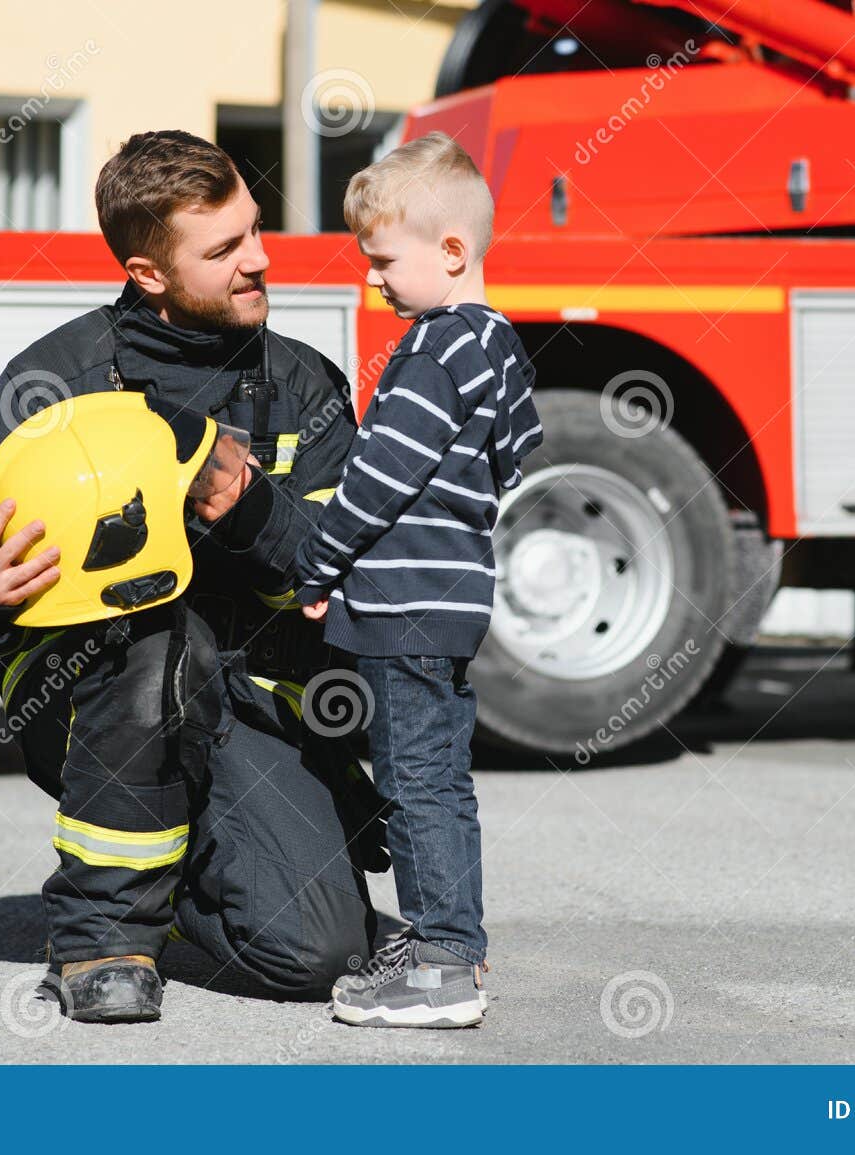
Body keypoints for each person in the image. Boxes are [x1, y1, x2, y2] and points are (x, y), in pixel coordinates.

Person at [0, 129, 385, 1023]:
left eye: (254, 230)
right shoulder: (53, 383)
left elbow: (347, 583)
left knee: (320, 950)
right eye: (224, 249)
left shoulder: (304, 385)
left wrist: (246, 509)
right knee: (152, 626)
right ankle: (101, 940)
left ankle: (171, 880)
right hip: (87, 692)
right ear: (149, 273)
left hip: (248, 700)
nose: (259, 260)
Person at [292, 132, 543, 1028]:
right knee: (445, 779)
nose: (373, 279)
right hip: (453, 602)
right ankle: (457, 950)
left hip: (402, 606)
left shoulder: (433, 351)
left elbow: (377, 479)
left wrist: (320, 565)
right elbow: (518, 456)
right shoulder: (498, 344)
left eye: (383, 260)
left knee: (413, 782)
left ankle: (436, 969)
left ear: (450, 251)